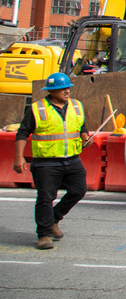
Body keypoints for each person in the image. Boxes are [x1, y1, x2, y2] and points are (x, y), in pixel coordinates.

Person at [12, 72, 91, 250]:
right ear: (51, 91)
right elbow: (22, 132)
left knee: (79, 190)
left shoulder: (77, 106)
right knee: (46, 198)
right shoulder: (37, 108)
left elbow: (82, 128)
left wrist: (86, 137)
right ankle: (44, 234)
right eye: (62, 89)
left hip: (72, 159)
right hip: (46, 162)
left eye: (67, 88)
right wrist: (19, 157)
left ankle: (54, 218)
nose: (66, 91)